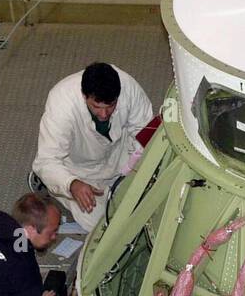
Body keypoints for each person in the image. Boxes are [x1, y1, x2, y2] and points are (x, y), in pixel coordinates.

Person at [32, 62, 155, 230]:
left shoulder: (128, 87)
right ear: (84, 96)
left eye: (111, 106)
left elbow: (147, 130)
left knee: (148, 205)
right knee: (101, 224)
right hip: (80, 171)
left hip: (120, 156)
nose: (104, 114)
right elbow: (46, 160)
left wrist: (139, 166)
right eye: (96, 107)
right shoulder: (61, 102)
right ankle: (52, 184)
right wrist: (72, 184)